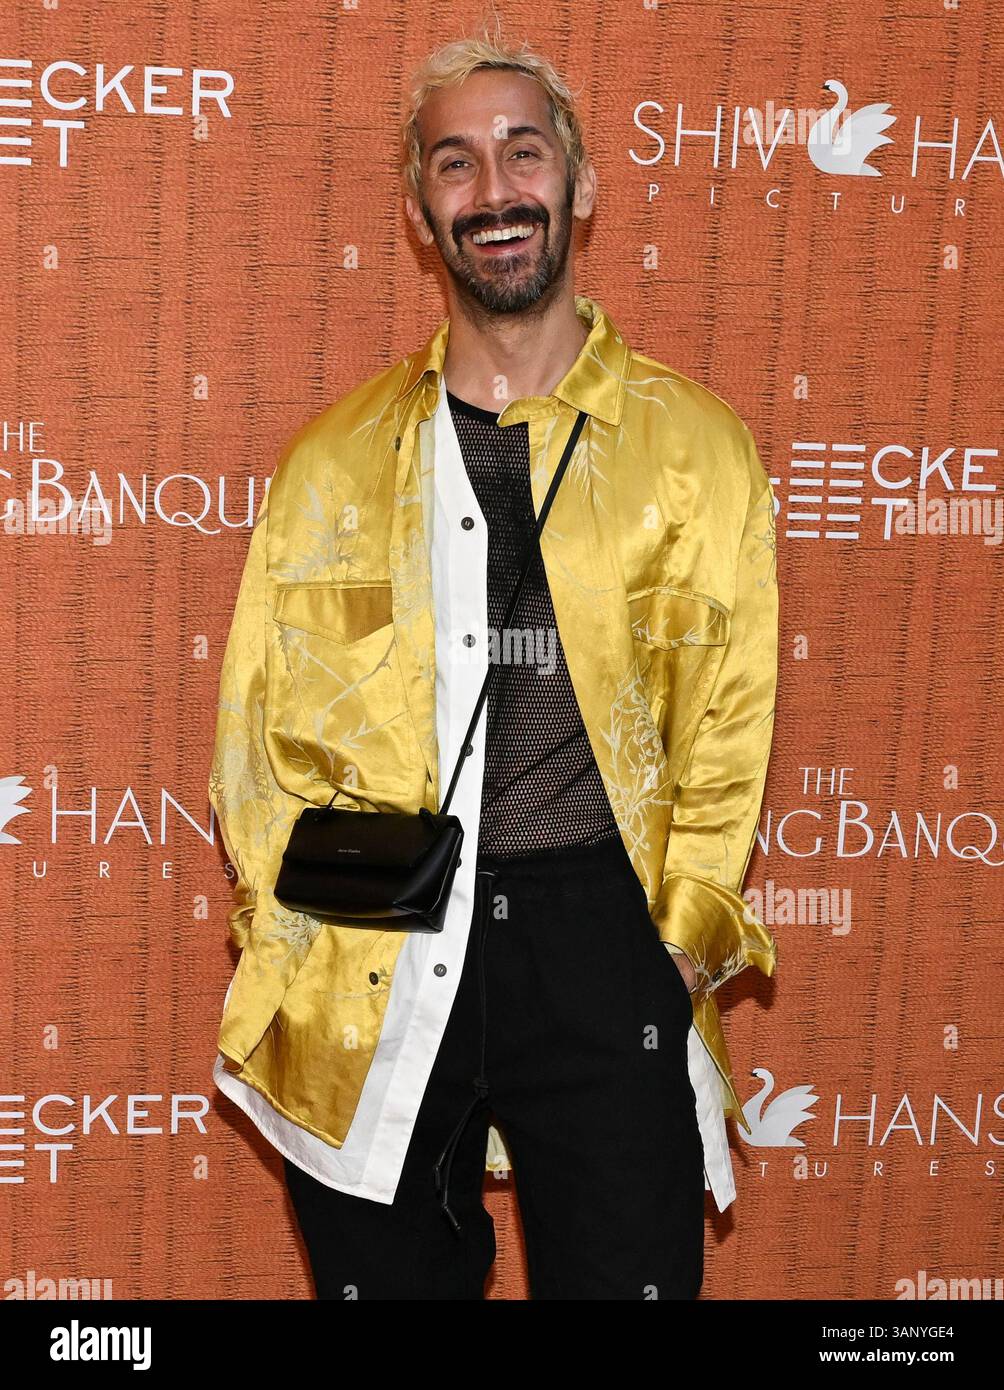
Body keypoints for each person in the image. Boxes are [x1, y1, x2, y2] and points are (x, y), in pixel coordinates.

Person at [208, 28, 780, 1301]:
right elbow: (255, 740)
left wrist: (674, 952)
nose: (492, 190)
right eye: (453, 164)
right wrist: (286, 940)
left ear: (577, 184)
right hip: (375, 935)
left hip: (598, 939)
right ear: (419, 212)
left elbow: (728, 732)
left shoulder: (696, 450)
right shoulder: (333, 463)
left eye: (522, 151)